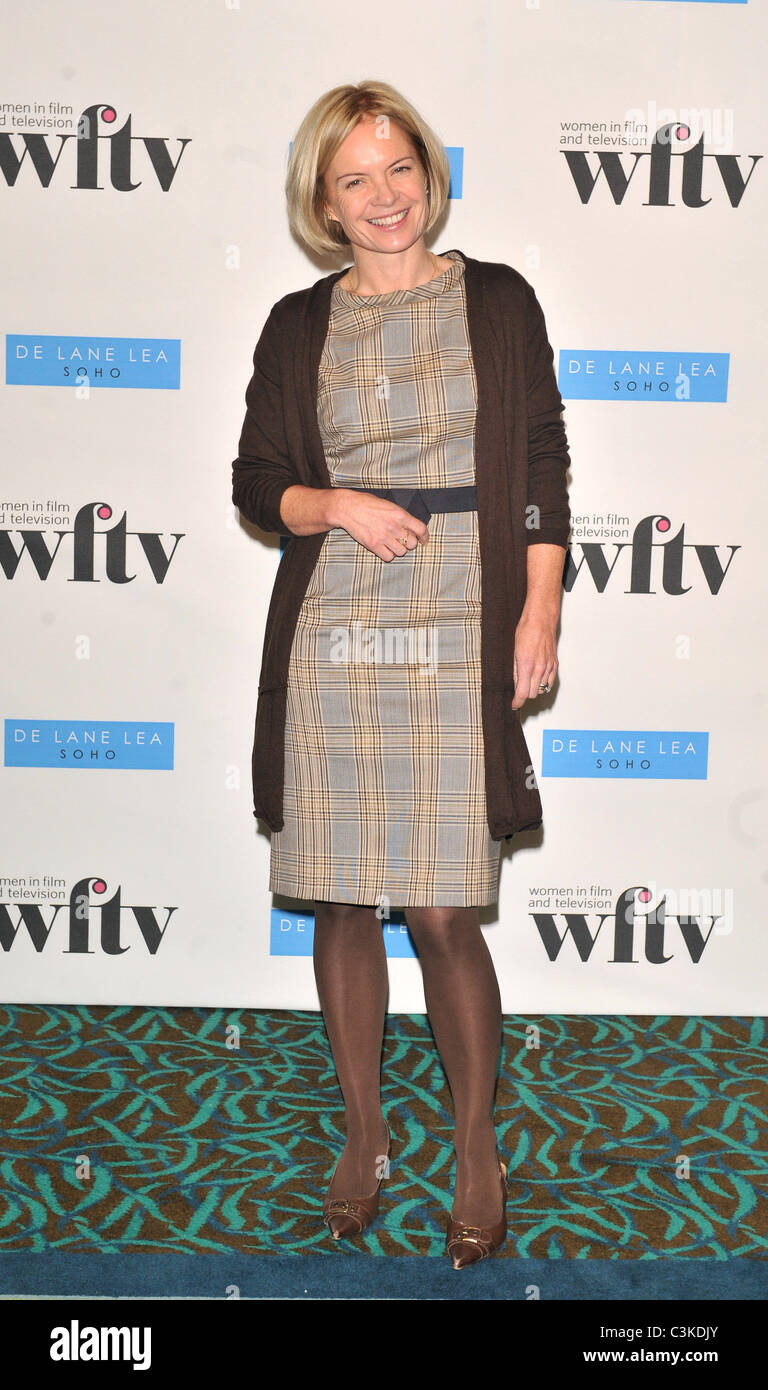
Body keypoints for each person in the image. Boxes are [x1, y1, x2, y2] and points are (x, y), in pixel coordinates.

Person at [231, 80, 571, 1267]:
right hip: (337, 613)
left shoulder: (497, 300)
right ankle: (366, 1136)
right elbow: (256, 480)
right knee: (337, 893)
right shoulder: (296, 324)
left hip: (461, 608)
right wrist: (337, 504)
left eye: (399, 169)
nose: (384, 197)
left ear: (430, 171)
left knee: (437, 902)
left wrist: (541, 608)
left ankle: (477, 1147)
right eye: (353, 179)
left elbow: (540, 460)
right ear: (323, 201)